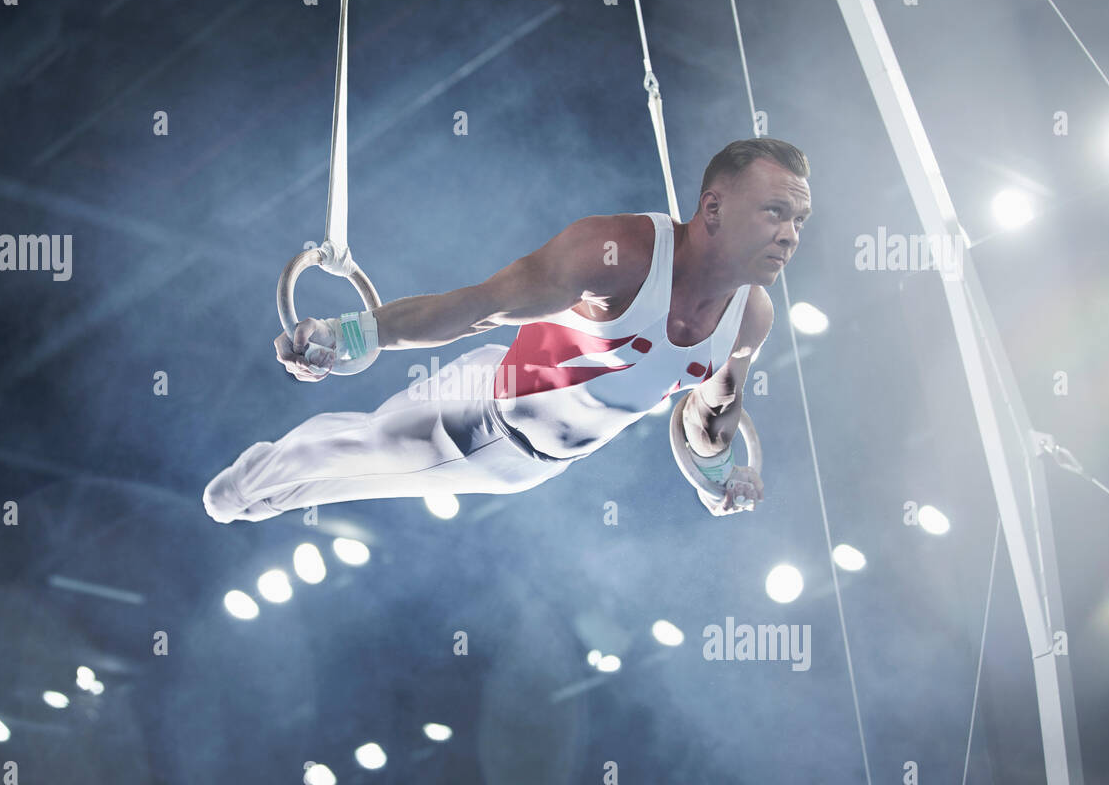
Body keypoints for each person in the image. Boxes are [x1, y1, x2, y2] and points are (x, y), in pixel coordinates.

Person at [203, 138, 810, 524]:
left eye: (798, 219)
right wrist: (347, 336)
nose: (790, 234)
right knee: (344, 456)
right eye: (775, 212)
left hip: (529, 461)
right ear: (713, 209)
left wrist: (719, 482)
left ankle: (254, 496)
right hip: (477, 415)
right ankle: (235, 493)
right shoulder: (618, 254)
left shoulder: (750, 319)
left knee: (353, 466)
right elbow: (477, 307)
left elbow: (709, 419)